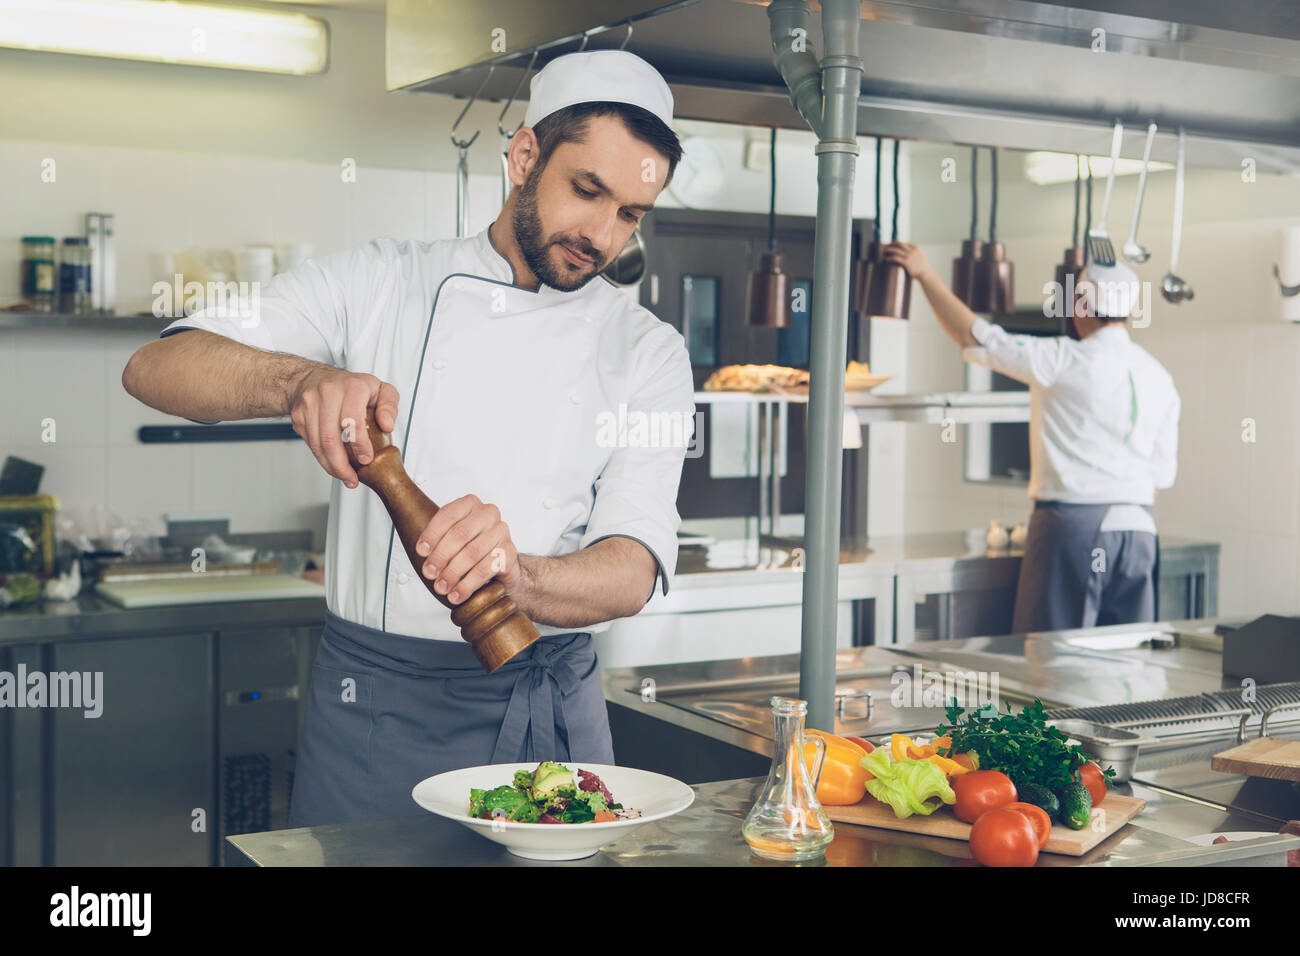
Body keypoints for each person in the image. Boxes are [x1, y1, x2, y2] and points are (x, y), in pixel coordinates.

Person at [122, 50, 694, 826]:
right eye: (586, 191)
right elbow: (157, 366)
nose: (600, 235)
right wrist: (298, 382)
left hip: (549, 717)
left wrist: (515, 577)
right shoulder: (382, 283)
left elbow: (631, 569)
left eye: (629, 213)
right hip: (376, 714)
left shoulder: (647, 350)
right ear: (524, 155)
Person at [883, 243, 1180, 633]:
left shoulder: (1062, 359)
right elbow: (1162, 478)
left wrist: (924, 274)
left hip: (1075, 528)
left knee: (1054, 658)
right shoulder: (1158, 375)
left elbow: (977, 337)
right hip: (1139, 532)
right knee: (1128, 654)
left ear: (1084, 305)